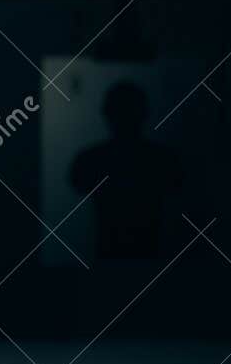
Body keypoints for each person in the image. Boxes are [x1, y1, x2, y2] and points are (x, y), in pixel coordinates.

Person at [69, 80, 183, 260]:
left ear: (106, 113)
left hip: (109, 255)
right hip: (147, 256)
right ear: (145, 113)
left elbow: (77, 183)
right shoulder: (163, 159)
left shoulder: (90, 159)